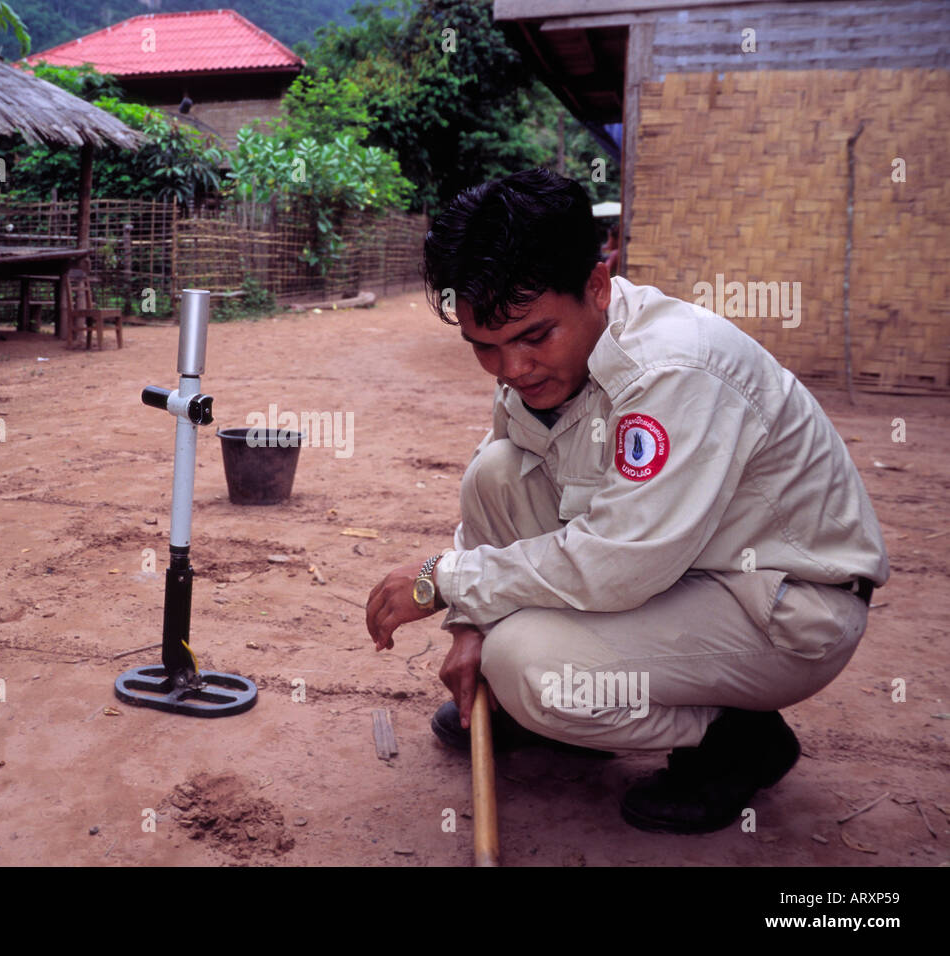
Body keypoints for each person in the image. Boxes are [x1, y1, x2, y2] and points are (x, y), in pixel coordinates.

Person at [365, 168, 889, 834]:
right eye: (484, 347)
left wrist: (445, 582)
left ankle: (734, 740)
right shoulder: (537, 362)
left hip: (784, 609)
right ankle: (553, 724)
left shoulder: (672, 370)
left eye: (532, 337)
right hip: (679, 570)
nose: (512, 370)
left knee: (527, 665)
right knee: (496, 473)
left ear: (597, 285)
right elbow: (497, 503)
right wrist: (467, 619)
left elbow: (617, 563)